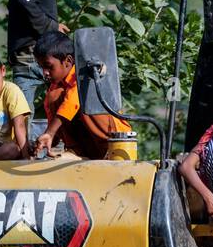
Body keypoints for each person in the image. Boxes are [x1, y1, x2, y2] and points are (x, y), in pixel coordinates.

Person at [26, 30, 133, 160]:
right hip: (89, 147)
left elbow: (72, 103)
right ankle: (77, 152)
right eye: (42, 67)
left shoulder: (86, 76)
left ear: (68, 61)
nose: (45, 73)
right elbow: (55, 129)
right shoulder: (54, 90)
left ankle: (110, 150)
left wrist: (50, 132)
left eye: (49, 67)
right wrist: (41, 142)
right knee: (54, 96)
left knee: (86, 99)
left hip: (114, 142)